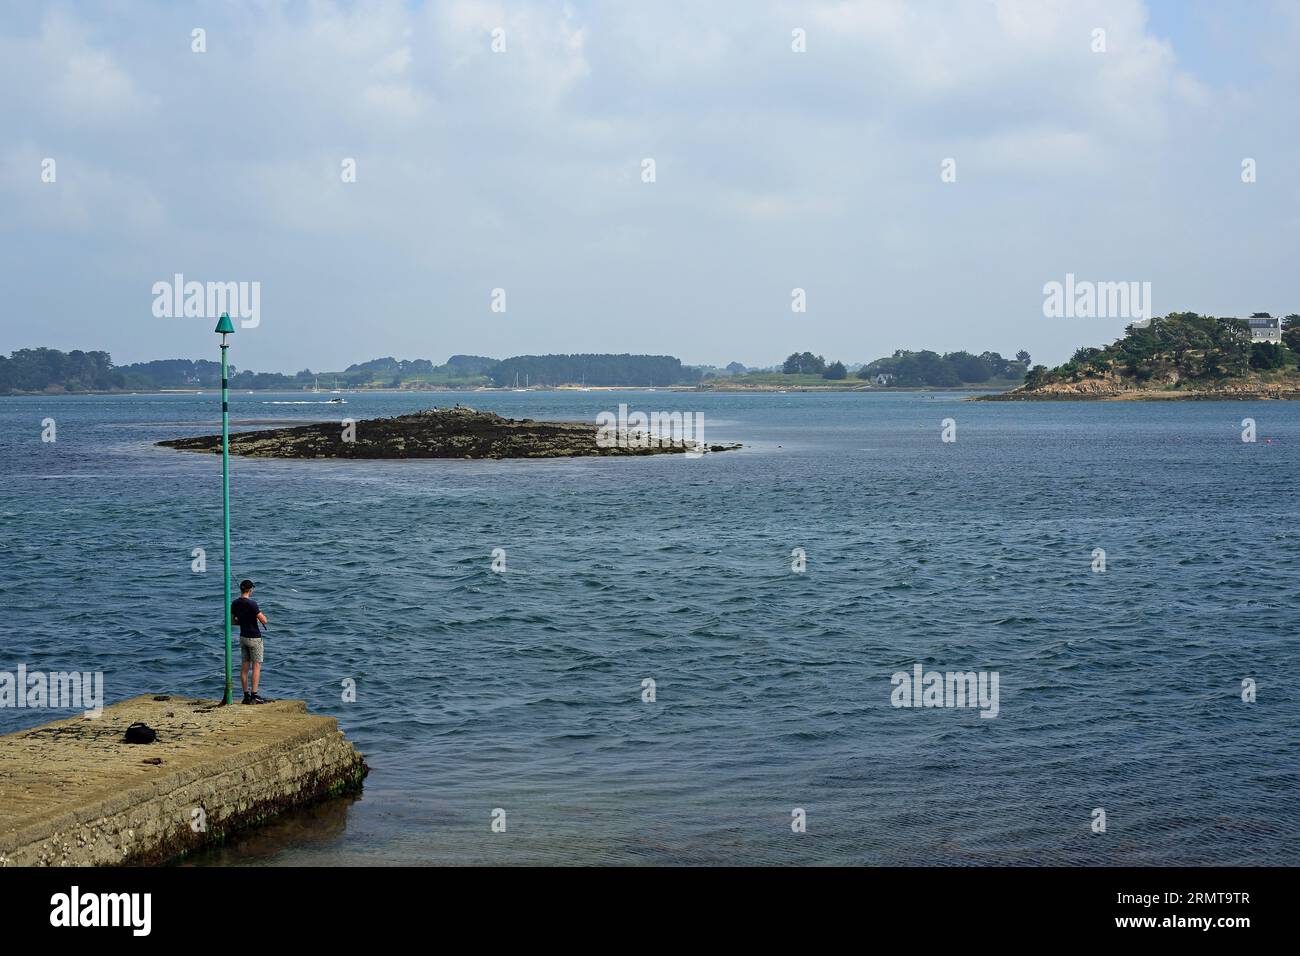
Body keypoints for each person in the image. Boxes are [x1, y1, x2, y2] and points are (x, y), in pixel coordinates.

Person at [230, 579, 269, 704]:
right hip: (255, 637)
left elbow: (233, 622)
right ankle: (254, 696)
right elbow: (265, 620)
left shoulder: (234, 603)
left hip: (243, 637)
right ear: (250, 589)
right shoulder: (252, 604)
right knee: (256, 667)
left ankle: (245, 696)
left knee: (244, 668)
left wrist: (244, 621)